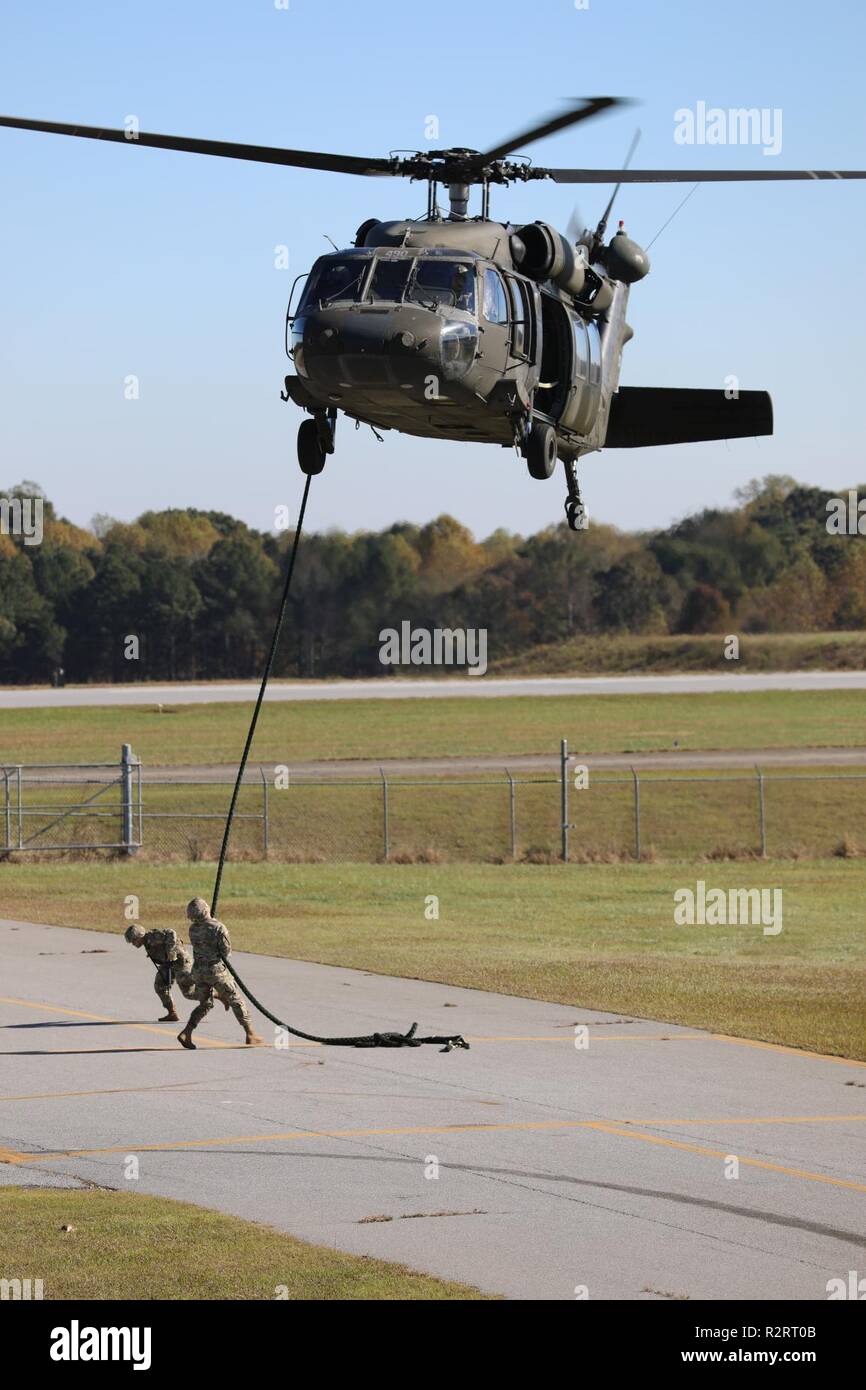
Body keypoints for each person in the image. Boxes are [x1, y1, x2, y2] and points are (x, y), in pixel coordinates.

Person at [177, 897, 263, 1050]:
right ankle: (250, 1034)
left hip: (198, 971)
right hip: (215, 971)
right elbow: (226, 952)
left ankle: (187, 1032)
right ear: (206, 909)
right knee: (236, 999)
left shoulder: (193, 929)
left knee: (205, 1004)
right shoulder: (218, 927)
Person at [124, 924, 196, 1023]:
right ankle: (172, 1013)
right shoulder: (146, 943)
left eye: (134, 940)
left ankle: (212, 990)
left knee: (188, 992)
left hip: (180, 961)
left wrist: (170, 951)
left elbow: (171, 932)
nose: (133, 943)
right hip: (168, 964)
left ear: (140, 936)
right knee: (160, 985)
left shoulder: (153, 936)